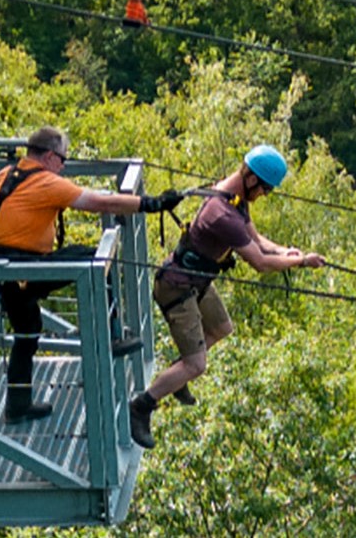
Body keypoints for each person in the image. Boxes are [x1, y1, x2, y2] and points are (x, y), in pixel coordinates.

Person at [0, 126, 185, 424]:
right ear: (50, 157)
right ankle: (111, 334)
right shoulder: (46, 183)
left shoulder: (6, 175)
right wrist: (150, 204)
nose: (63, 167)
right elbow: (99, 204)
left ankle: (17, 405)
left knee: (27, 333)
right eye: (62, 160)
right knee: (96, 258)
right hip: (25, 271)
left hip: (0, 270)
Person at [128, 144, 323, 448]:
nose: (265, 195)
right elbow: (259, 262)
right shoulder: (223, 215)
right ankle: (141, 406)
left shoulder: (234, 199)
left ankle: (178, 377)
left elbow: (257, 241)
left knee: (221, 328)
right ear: (252, 179)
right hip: (177, 288)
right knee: (197, 365)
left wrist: (286, 251)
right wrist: (299, 262)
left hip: (197, 282)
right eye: (266, 189)